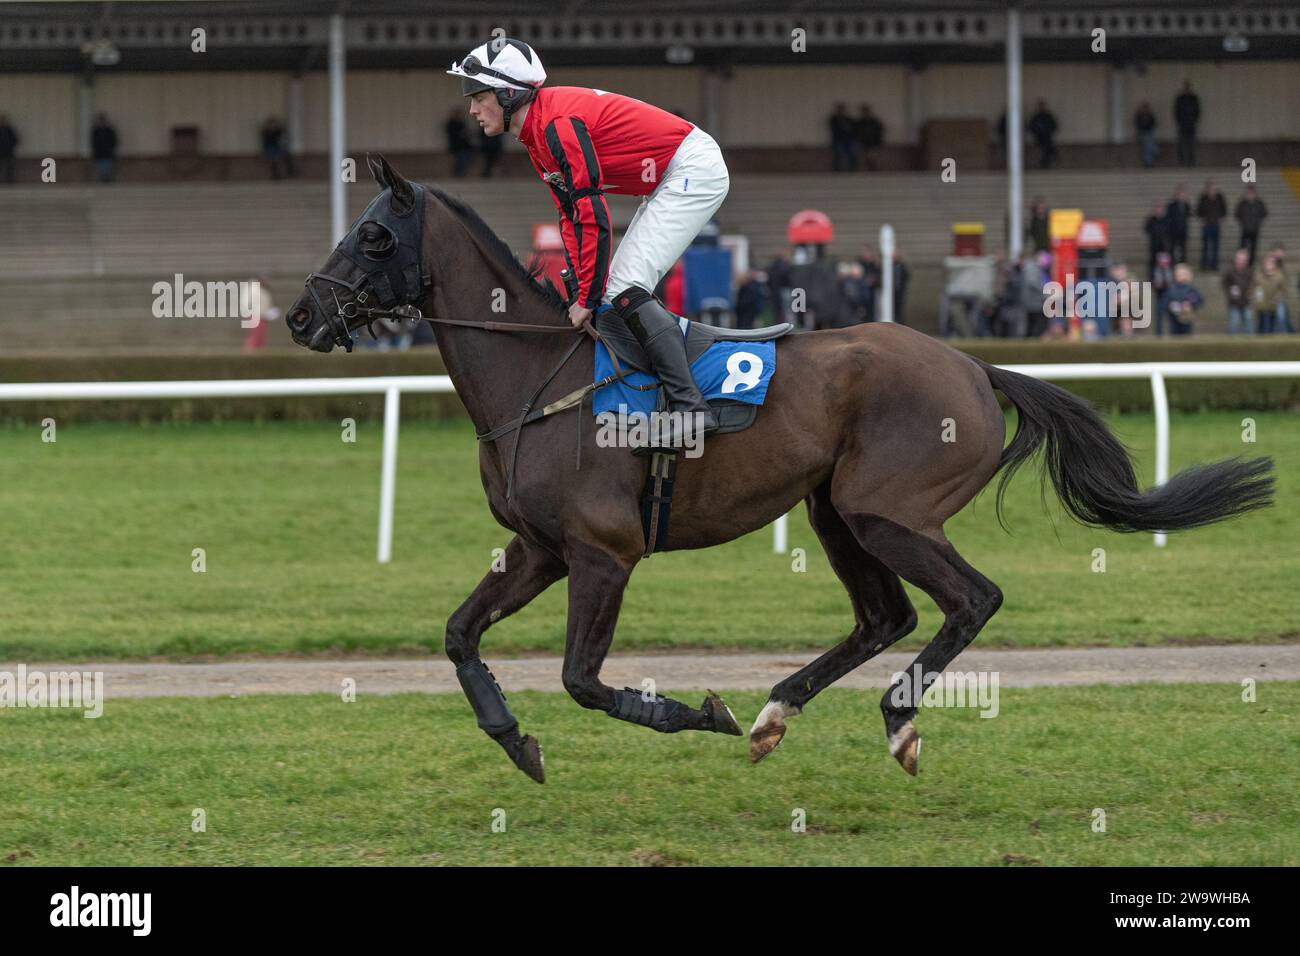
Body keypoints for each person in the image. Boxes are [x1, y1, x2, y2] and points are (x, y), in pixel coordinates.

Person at [447, 37, 729, 453]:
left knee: (619, 288)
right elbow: (570, 215)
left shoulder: (556, 125)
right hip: (671, 175)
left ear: (509, 94)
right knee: (613, 289)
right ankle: (653, 396)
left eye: (479, 95)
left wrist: (587, 296)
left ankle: (691, 408)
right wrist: (581, 287)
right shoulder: (536, 134)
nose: (472, 109)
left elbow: (594, 215)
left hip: (692, 170)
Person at [1196, 179, 1226, 272]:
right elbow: (1198, 210)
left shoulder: (1220, 198)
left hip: (1216, 225)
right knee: (1205, 246)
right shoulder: (1203, 198)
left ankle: (1214, 265)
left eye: (1214, 188)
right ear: (1207, 189)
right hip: (1207, 225)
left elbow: (1224, 209)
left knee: (1215, 247)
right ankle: (1204, 265)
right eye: (1210, 188)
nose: (1212, 190)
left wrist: (1221, 218)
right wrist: (1202, 219)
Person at [1222, 248, 1254, 335]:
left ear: (1246, 261)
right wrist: (1229, 293)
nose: (1241, 261)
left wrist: (1250, 291)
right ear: (1235, 259)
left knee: (1248, 320)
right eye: (1239, 259)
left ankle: (1251, 341)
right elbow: (1224, 284)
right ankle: (1230, 341)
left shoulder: (1249, 271)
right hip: (1233, 302)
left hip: (1246, 301)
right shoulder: (1229, 272)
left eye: (1243, 259)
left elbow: (1253, 283)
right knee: (1233, 322)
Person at [1251, 255, 1286, 334]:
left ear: (1274, 265)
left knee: (1271, 326)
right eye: (1267, 263)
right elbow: (1254, 289)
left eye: (1271, 264)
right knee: (1262, 325)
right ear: (1263, 265)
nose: (1268, 265)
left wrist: (1278, 296)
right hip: (1261, 305)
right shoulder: (1258, 275)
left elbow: (1283, 289)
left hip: (1273, 305)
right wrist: (1256, 300)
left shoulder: (1279, 276)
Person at [1164, 263, 1202, 335]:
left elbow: (1199, 300)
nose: (1181, 276)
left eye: (1183, 274)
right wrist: (1170, 306)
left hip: (1187, 318)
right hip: (1174, 319)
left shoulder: (1191, 288)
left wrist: (1190, 305)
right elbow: (1166, 301)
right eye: (1179, 274)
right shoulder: (1171, 289)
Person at [1235, 186, 1268, 266]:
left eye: (1251, 193)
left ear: (1255, 194)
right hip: (1245, 228)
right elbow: (1237, 214)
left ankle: (1250, 263)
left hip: (1255, 229)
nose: (1250, 195)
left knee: (1253, 247)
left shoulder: (1259, 203)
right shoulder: (1242, 203)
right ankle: (1241, 262)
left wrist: (1258, 222)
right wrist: (1243, 222)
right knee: (1242, 247)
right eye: (1248, 193)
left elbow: (1265, 213)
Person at [1173, 81, 1200, 167]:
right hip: (1182, 124)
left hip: (1191, 124)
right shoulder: (1180, 98)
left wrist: (1194, 120)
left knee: (1191, 143)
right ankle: (1183, 161)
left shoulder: (1194, 98)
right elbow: (1176, 111)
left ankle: (1191, 161)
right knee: (1182, 143)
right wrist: (1179, 121)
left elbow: (1197, 111)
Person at [1267, 242, 1291, 333]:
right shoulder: (1269, 263)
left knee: (1282, 317)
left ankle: (1285, 335)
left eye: (1281, 252)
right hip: (1269, 295)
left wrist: (1281, 294)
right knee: (1275, 318)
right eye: (1278, 252)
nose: (1280, 254)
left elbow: (1284, 282)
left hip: (1279, 296)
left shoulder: (1282, 266)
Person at [1164, 185, 1190, 267]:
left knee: (1183, 249)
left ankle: (1183, 265)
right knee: (1171, 250)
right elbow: (1168, 219)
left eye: (1183, 194)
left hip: (1183, 231)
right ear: (1176, 195)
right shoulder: (1171, 206)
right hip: (1173, 231)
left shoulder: (1186, 205)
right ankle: (1172, 265)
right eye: (1179, 194)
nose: (1181, 196)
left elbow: (1189, 216)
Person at [1027, 100, 1058, 169]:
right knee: (1039, 152)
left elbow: (1054, 126)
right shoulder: (1036, 117)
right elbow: (1031, 126)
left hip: (1047, 137)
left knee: (1048, 151)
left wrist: (1048, 132)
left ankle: (1047, 163)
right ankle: (1040, 164)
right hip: (1039, 137)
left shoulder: (1048, 116)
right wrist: (1036, 132)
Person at [444, 108, 474, 177]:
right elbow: (454, 134)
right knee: (461, 159)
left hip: (465, 145)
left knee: (465, 158)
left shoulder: (462, 123)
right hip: (457, 146)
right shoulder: (451, 124)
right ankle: (459, 173)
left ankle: (460, 172)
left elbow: (466, 133)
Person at [854, 104, 884, 172]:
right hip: (863, 143)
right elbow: (856, 133)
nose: (865, 113)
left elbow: (879, 132)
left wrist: (879, 142)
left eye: (866, 111)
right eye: (864, 112)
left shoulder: (875, 122)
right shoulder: (859, 122)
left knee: (872, 158)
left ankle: (873, 170)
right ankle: (866, 170)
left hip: (873, 143)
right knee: (864, 158)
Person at [1143, 202, 1169, 279]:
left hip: (1163, 244)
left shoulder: (1166, 220)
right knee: (1153, 261)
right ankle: (1152, 276)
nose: (1158, 211)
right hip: (1154, 243)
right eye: (1157, 209)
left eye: (1160, 209)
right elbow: (1146, 229)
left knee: (1163, 262)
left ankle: (1163, 277)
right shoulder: (1151, 220)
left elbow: (1169, 231)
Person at [829, 103, 856, 172]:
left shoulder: (849, 119)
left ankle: (852, 169)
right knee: (837, 155)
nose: (841, 111)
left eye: (842, 110)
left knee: (851, 155)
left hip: (848, 141)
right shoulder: (834, 119)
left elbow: (852, 130)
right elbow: (834, 129)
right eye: (839, 110)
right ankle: (836, 170)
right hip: (838, 140)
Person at [90, 113, 117, 183]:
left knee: (107, 165)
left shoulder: (109, 130)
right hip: (99, 152)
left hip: (108, 151)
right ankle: (102, 177)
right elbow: (93, 141)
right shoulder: (96, 131)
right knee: (101, 165)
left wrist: (111, 147)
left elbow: (114, 140)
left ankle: (107, 177)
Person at [1133, 102, 1158, 167]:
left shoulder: (1150, 115)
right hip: (1142, 133)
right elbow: (1137, 124)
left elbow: (1153, 123)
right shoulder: (1139, 115)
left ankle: (1149, 160)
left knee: (1149, 146)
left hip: (1149, 132)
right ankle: (1148, 161)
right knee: (1147, 146)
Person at [0, 115, 17, 183]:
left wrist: (10, 146)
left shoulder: (9, 130)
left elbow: (15, 139)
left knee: (9, 167)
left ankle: (9, 180)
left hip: (8, 152)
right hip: (1, 152)